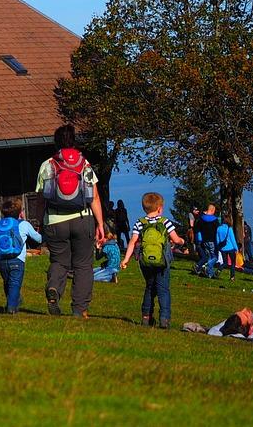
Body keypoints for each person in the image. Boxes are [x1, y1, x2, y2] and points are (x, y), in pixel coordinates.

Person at [36, 124, 105, 318]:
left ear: (56, 142)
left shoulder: (48, 164)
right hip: (83, 219)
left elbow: (41, 199)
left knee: (59, 261)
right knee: (83, 265)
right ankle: (79, 309)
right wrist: (100, 224)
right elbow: (95, 197)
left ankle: (54, 289)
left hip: (55, 220)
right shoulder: (85, 164)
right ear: (74, 141)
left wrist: (40, 221)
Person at [121, 192, 186, 329]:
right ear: (160, 208)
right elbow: (176, 239)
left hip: (145, 263)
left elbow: (132, 242)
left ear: (144, 208)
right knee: (163, 290)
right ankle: (164, 319)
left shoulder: (140, 223)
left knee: (150, 287)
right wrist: (182, 240)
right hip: (162, 262)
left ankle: (146, 317)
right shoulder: (165, 222)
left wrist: (126, 260)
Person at [0, 197, 42, 313]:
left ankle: (15, 301)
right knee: (14, 283)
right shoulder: (24, 224)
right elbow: (38, 239)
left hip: (2, 259)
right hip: (17, 259)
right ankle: (11, 307)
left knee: (8, 282)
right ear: (20, 212)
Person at [194, 204, 220, 279]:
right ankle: (206, 266)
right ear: (212, 210)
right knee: (215, 257)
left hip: (204, 240)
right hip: (212, 240)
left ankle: (209, 273)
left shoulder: (201, 219)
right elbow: (217, 231)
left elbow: (197, 229)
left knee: (209, 256)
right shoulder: (215, 220)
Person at [216, 213, 239, 280]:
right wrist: (236, 248)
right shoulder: (229, 229)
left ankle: (219, 269)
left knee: (225, 262)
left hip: (223, 248)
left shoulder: (219, 228)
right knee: (233, 262)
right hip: (231, 248)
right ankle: (232, 277)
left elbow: (217, 240)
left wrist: (219, 247)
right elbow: (233, 240)